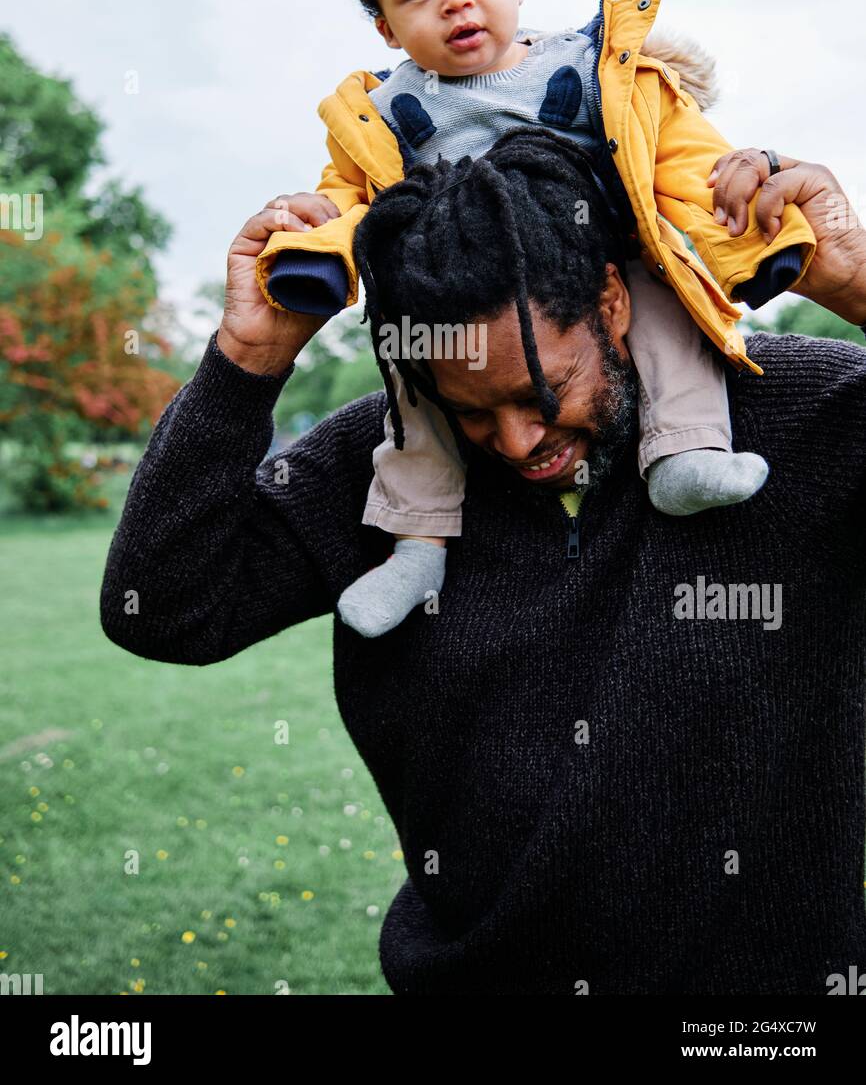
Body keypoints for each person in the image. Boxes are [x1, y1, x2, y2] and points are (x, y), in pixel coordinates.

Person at [100, 133, 866, 996]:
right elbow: (158, 609)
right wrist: (248, 361)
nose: (516, 441)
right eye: (469, 409)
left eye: (543, 395)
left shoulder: (805, 413)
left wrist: (859, 287)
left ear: (612, 301)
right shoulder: (379, 463)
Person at [251, 0, 816, 637]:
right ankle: (417, 542)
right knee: (416, 388)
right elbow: (348, 198)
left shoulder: (586, 72)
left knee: (665, 317)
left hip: (601, 262)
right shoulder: (385, 111)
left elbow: (679, 157)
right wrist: (314, 245)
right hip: (450, 289)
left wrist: (751, 227)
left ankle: (684, 448)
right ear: (385, 27)